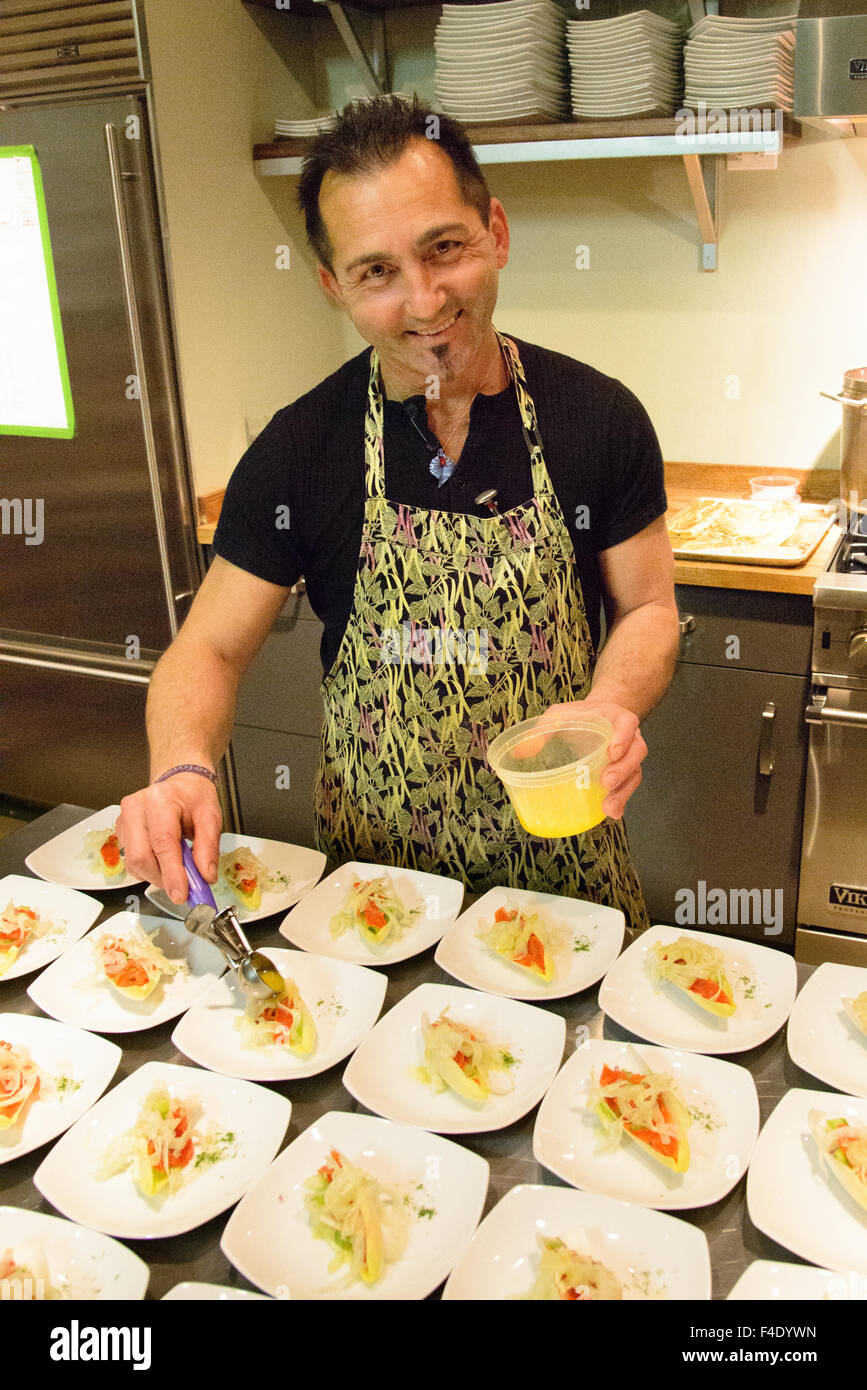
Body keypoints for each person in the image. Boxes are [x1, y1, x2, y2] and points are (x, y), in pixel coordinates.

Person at [119, 94, 679, 934]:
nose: (422, 302)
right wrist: (179, 770)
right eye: (375, 271)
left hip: (563, 877)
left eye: (443, 248)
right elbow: (208, 646)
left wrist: (611, 706)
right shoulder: (299, 447)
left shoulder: (598, 417)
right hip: (370, 897)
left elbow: (647, 610)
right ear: (332, 284)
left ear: (494, 229)